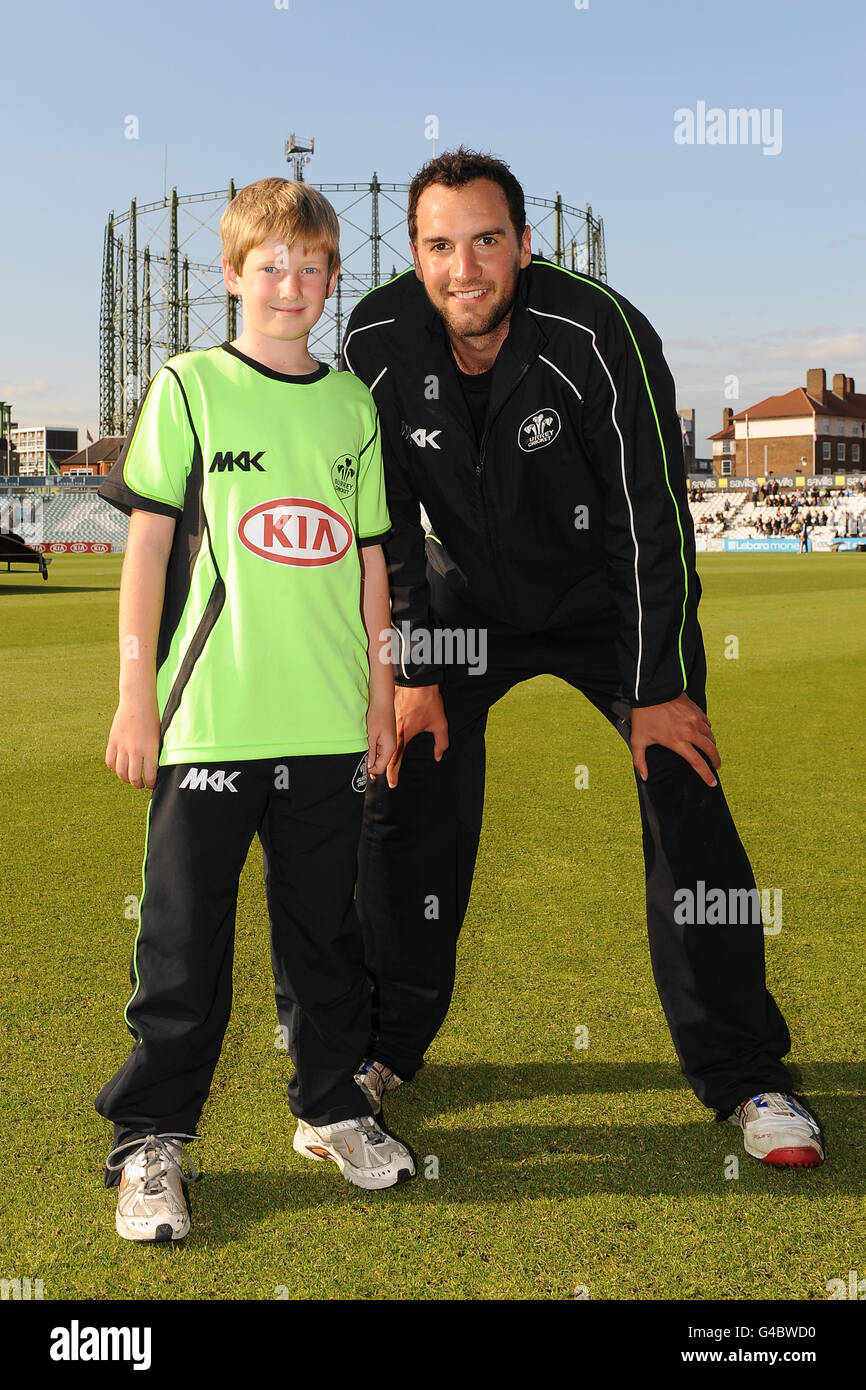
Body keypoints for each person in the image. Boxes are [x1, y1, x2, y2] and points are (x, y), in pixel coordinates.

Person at [343, 147, 823, 1169]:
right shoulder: (376, 338)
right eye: (438, 244)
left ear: (522, 244)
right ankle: (379, 1047)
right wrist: (416, 668)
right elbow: (384, 519)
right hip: (467, 595)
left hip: (605, 603)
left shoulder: (595, 331)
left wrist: (654, 690)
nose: (462, 266)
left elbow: (650, 519)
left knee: (681, 781)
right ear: (414, 253)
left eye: (484, 240)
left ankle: (746, 1073)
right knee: (400, 777)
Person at [95, 178, 416, 1243]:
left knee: (326, 937)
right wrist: (135, 694)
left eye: (311, 267)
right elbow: (146, 551)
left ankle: (330, 1105)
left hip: (326, 729)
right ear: (231, 274)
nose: (290, 284)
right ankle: (151, 1138)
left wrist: (380, 691)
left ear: (332, 280)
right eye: (269, 265)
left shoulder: (349, 404)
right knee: (183, 946)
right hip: (209, 724)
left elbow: (371, 565)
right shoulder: (188, 386)